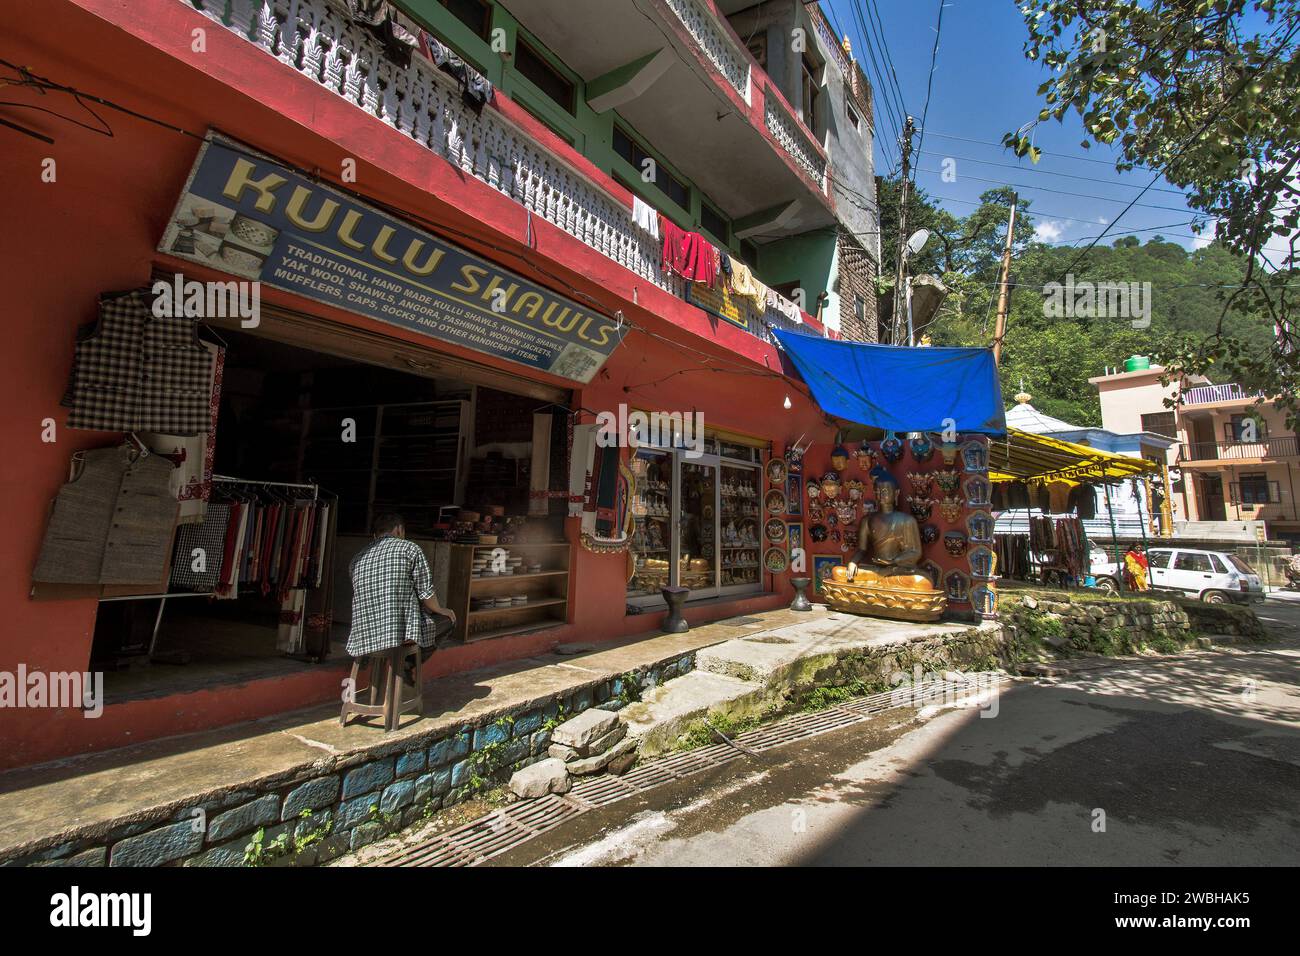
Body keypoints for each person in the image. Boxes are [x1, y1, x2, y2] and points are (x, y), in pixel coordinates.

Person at [348, 513, 456, 685]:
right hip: (400, 635)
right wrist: (442, 610)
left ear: (375, 534)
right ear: (399, 529)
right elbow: (426, 593)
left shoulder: (357, 558)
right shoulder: (409, 549)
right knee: (447, 620)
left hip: (363, 635)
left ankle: (377, 657)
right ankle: (407, 663)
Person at [846, 468, 924, 580]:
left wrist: (894, 561)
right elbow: (862, 550)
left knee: (919, 581)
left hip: (899, 570)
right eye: (878, 491)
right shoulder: (867, 520)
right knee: (838, 572)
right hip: (877, 569)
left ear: (896, 493)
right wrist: (853, 562)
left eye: (885, 491)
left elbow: (916, 552)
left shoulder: (907, 520)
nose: (881, 494)